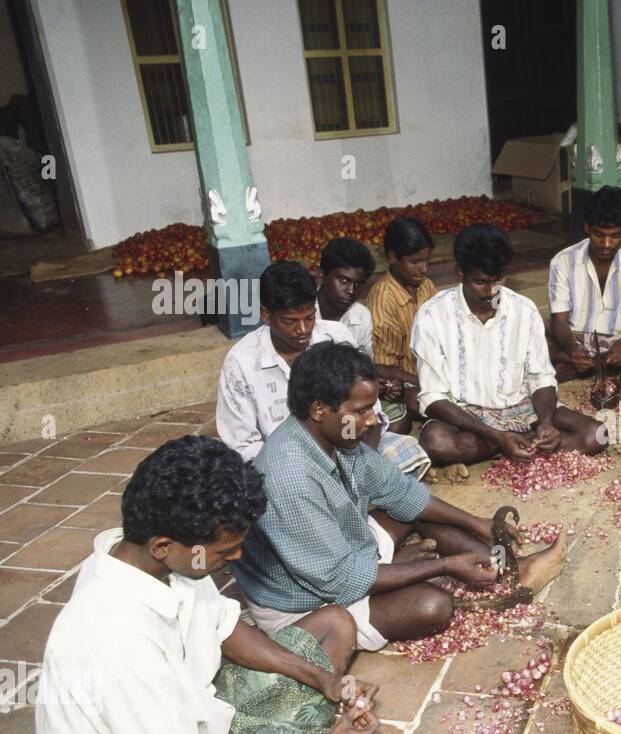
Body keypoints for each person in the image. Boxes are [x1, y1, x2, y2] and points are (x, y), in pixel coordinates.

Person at [35, 436, 394, 734]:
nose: (238, 556)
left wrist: (325, 680)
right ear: (164, 545)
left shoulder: (151, 554)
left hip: (198, 708)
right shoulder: (115, 645)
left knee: (334, 622)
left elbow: (225, 629)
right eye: (227, 550)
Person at [234, 341, 567, 652]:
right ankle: (413, 567)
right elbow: (342, 580)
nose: (372, 421)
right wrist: (446, 566)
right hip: (305, 601)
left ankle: (514, 569)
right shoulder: (289, 477)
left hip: (343, 549)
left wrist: (477, 523)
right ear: (320, 409)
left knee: (416, 508)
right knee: (433, 605)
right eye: (362, 410)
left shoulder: (335, 436)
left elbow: (401, 492)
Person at [216, 260, 431, 480]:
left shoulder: (336, 336)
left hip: (349, 448)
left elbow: (369, 414)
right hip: (285, 465)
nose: (302, 330)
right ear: (266, 315)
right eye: (290, 321)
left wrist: (359, 460)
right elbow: (243, 445)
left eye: (309, 318)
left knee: (408, 449)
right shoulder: (241, 361)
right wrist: (305, 472)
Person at [413, 224, 606, 465]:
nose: (491, 292)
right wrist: (497, 435)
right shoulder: (432, 315)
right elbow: (432, 398)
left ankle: (510, 445)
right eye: (481, 282)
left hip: (522, 407)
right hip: (466, 414)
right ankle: (512, 444)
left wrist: (545, 422)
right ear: (459, 273)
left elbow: (542, 377)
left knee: (597, 435)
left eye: (498, 281)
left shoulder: (523, 310)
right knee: (436, 443)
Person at [547, 186, 621, 380]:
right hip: (577, 337)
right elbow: (559, 320)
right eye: (598, 234)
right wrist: (573, 347)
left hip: (619, 341)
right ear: (586, 228)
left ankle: (582, 368)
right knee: (532, 330)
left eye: (615, 236)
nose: (606, 244)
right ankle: (600, 366)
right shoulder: (563, 261)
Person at [367, 215, 438, 420]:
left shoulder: (425, 286)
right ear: (393, 258)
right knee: (419, 400)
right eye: (415, 262)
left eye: (426, 261)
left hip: (433, 373)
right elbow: (382, 366)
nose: (423, 269)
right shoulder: (383, 298)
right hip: (407, 382)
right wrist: (423, 380)